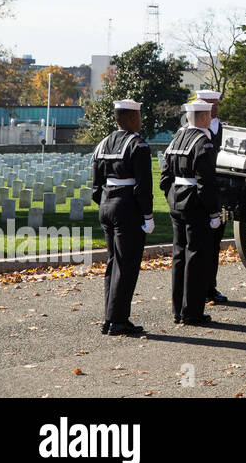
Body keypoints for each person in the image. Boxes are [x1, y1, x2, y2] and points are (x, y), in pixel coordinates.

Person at [92, 99, 154, 336]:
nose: (140, 121)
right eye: (137, 117)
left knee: (112, 262)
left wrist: (107, 203)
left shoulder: (103, 144)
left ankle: (109, 318)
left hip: (107, 204)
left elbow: (96, 186)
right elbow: (142, 187)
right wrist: (147, 215)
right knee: (126, 265)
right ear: (128, 119)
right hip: (127, 207)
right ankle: (118, 320)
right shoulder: (138, 146)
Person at [160, 99, 220, 326]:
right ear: (204, 117)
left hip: (177, 201)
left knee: (179, 256)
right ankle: (192, 312)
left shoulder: (177, 138)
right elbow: (206, 182)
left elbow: (165, 177)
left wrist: (172, 197)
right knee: (196, 257)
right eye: (209, 115)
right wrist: (213, 212)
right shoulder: (203, 142)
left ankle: (178, 310)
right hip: (195, 204)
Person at [195, 89, 229, 307]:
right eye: (211, 104)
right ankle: (197, 288)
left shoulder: (225, 129)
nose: (215, 108)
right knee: (200, 244)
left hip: (219, 192)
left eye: (217, 103)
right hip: (199, 193)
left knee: (214, 243)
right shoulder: (193, 132)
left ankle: (210, 286)